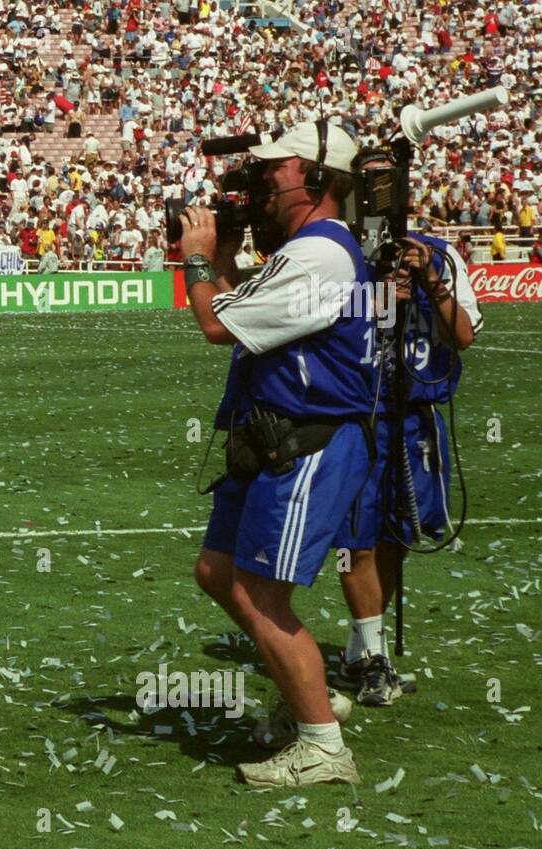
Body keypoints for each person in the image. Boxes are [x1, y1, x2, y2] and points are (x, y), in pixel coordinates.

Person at [180, 121, 376, 787]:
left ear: (317, 179)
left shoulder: (322, 254)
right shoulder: (306, 250)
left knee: (261, 593)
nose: (262, 179)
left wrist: (198, 258)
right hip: (273, 435)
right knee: (218, 571)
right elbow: (243, 314)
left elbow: (214, 324)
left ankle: (322, 743)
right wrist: (225, 259)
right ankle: (309, 694)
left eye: (276, 169)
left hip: (307, 439)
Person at [335, 157, 483, 705]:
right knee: (353, 543)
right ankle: (373, 656)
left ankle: (362, 647)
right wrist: (374, 299)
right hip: (355, 416)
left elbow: (461, 336)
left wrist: (429, 280)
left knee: (397, 535)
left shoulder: (438, 254)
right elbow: (315, 325)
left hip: (416, 415)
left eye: (385, 178)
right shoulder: (339, 256)